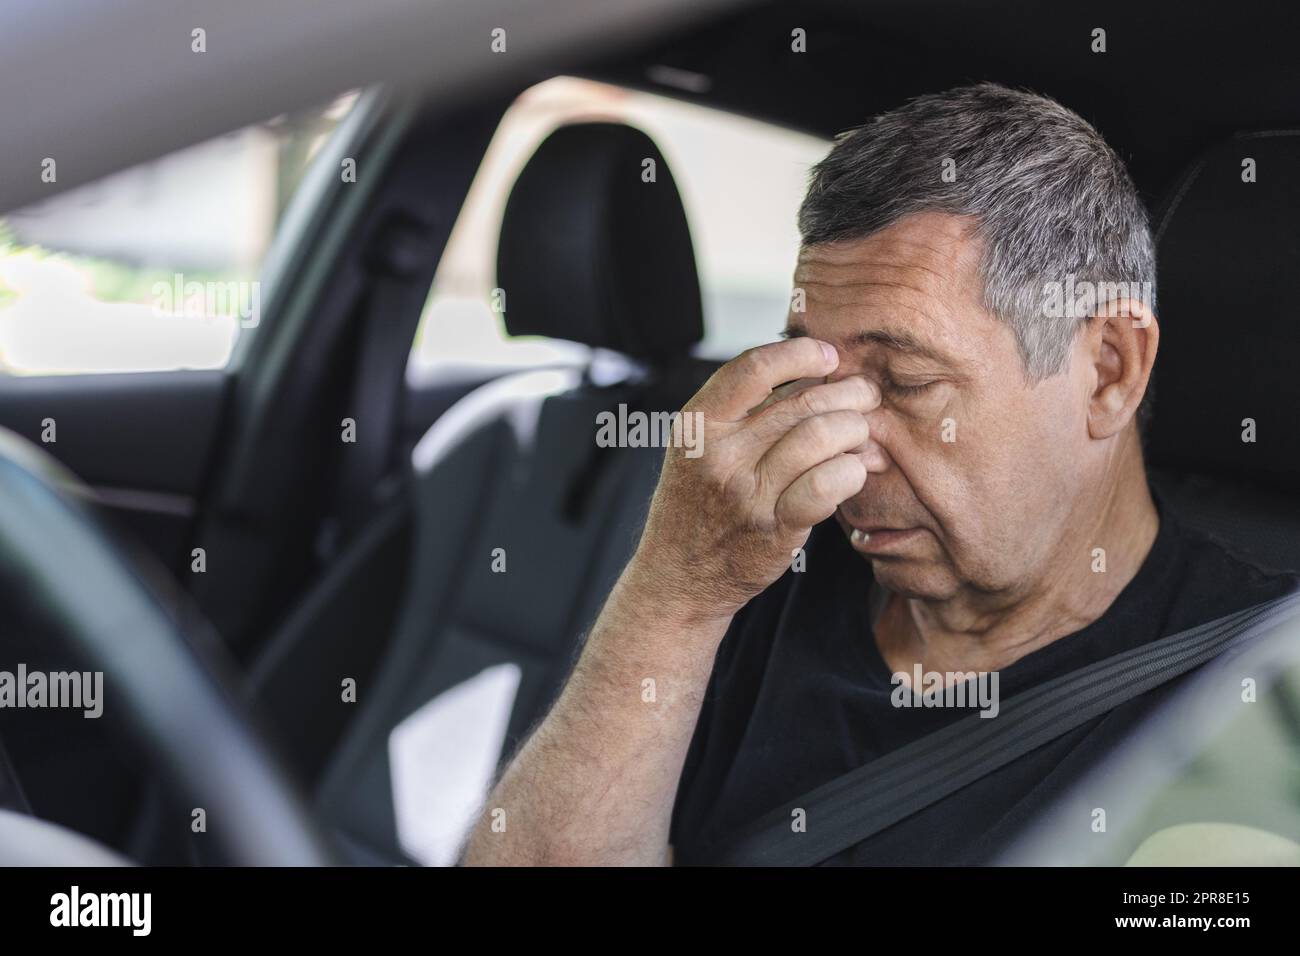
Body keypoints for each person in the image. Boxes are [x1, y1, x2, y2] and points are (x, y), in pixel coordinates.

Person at [461, 83, 1298, 866]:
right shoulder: (752, 574)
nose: (840, 459)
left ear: (1109, 370)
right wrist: (676, 594)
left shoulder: (1254, 698)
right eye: (817, 379)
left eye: (907, 383)